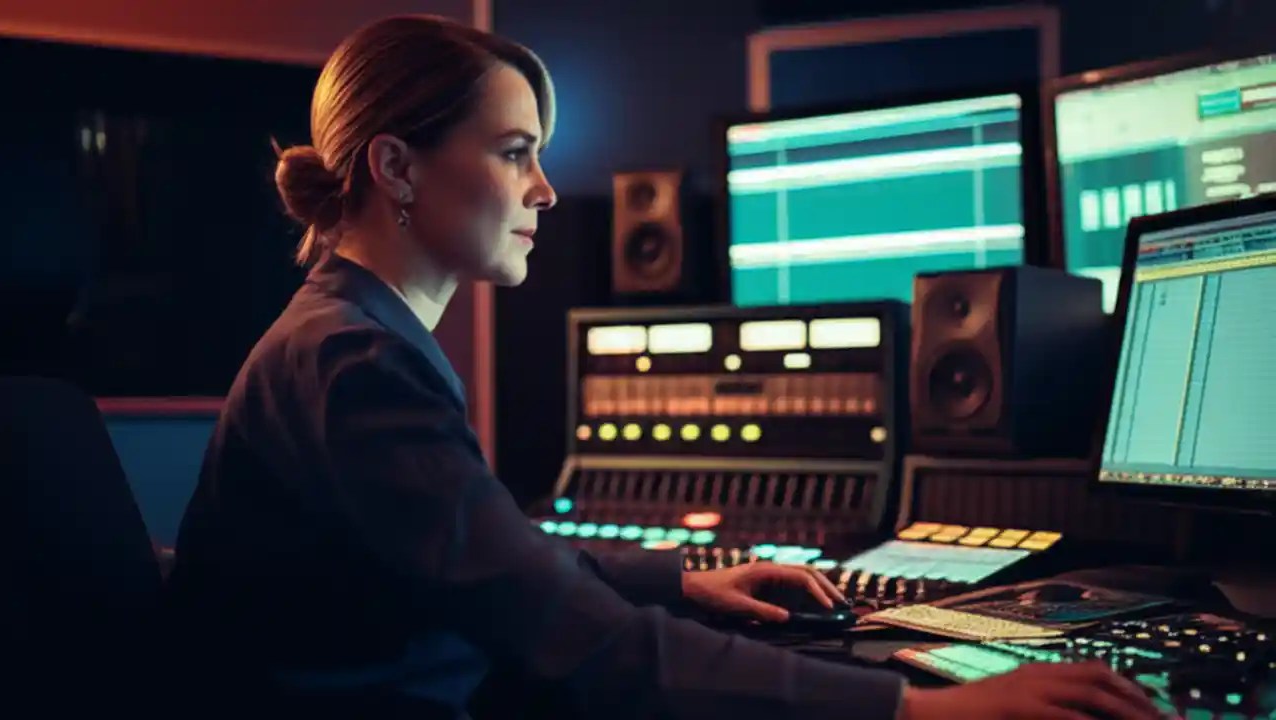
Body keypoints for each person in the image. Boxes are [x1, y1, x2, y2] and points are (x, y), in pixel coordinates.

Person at [168, 15, 1165, 720]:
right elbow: (579, 641)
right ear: (396, 167)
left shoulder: (348, 333)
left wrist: (684, 578)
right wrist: (915, 710)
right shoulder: (357, 362)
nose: (545, 190)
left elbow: (497, 560)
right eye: (514, 152)